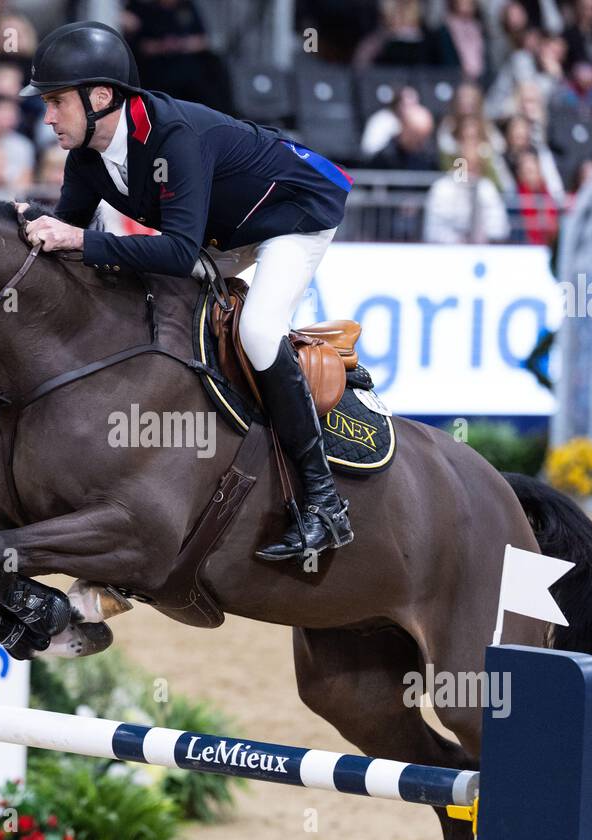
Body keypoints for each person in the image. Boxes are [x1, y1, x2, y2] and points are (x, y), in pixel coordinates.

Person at [19, 21, 353, 562]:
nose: (48, 116)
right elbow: (72, 241)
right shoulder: (86, 154)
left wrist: (79, 238)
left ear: (100, 97)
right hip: (219, 232)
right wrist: (30, 230)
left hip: (292, 215)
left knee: (260, 330)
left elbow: (173, 251)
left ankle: (323, 503)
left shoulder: (173, 136)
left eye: (56, 102)